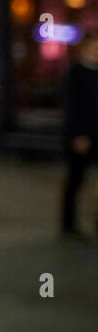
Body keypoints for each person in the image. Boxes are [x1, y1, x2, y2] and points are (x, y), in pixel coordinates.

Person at [61, 32, 98, 239]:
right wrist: (79, 134)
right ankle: (69, 224)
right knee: (76, 179)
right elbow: (72, 107)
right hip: (82, 135)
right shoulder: (75, 72)